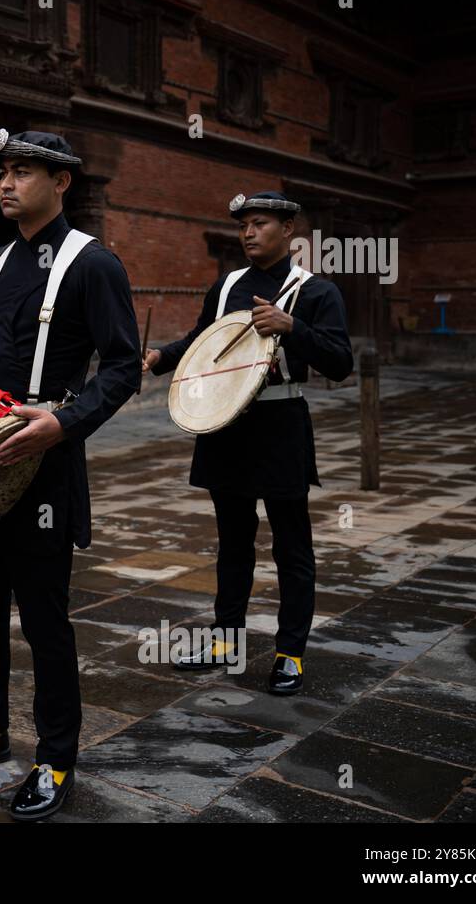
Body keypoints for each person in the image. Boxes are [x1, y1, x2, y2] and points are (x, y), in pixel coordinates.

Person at [0, 130, 140, 821]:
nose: (7, 184)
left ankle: (55, 757)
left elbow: (124, 366)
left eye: (24, 172)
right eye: (3, 173)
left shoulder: (92, 264)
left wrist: (64, 422)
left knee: (45, 620)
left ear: (62, 181)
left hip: (45, 463)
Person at [144, 191, 353, 696]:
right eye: (243, 226)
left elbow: (341, 363)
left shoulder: (315, 291)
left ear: (288, 230)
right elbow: (203, 338)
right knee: (233, 542)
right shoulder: (227, 286)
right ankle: (226, 639)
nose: (249, 233)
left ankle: (290, 652)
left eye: (259, 224)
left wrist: (292, 327)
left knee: (291, 546)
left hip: (281, 424)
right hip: (226, 423)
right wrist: (158, 357)